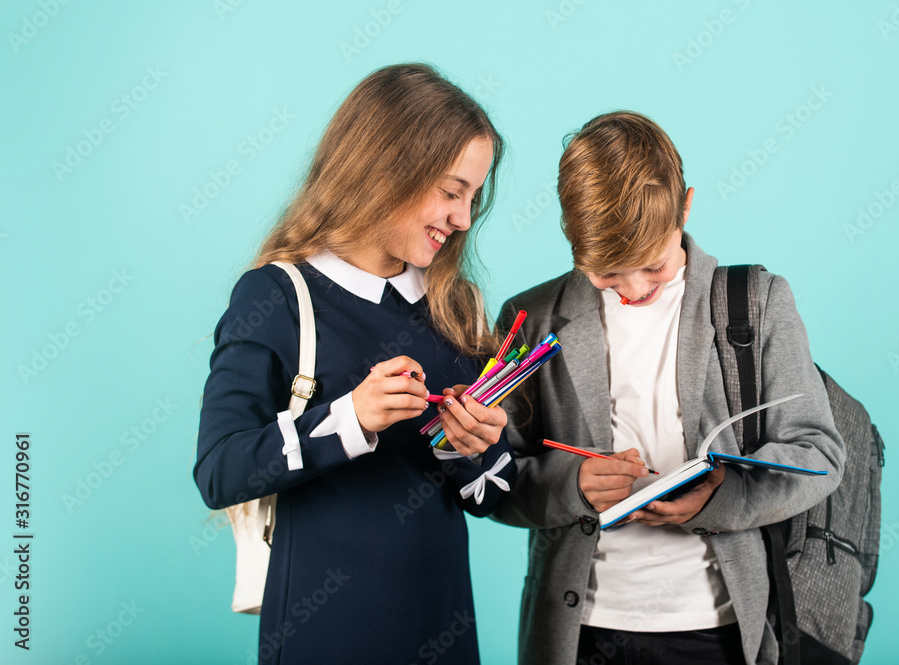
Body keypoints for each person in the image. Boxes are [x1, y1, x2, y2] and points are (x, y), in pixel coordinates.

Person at [492, 111, 846, 665]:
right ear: (571, 235)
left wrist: (723, 494)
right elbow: (493, 483)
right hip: (577, 631)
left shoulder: (758, 302)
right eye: (608, 274)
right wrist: (574, 485)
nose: (633, 289)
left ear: (685, 206)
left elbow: (820, 455)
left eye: (653, 268)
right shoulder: (530, 319)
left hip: (718, 628)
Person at [193, 63, 516, 665]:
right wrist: (351, 419)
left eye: (473, 196)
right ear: (385, 170)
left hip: (445, 633)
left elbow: (490, 496)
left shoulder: (456, 305)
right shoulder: (276, 296)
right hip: (323, 637)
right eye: (451, 192)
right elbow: (219, 470)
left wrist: (472, 447)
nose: (464, 218)